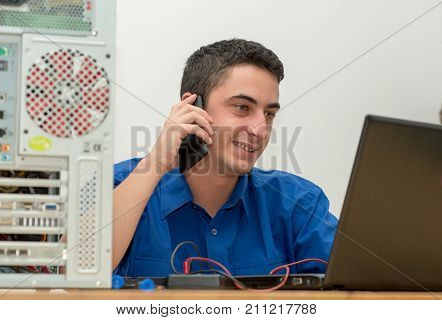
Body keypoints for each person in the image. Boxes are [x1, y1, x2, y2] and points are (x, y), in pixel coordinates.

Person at [112, 39, 338, 277]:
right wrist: (156, 163)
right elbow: (74, 266)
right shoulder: (122, 186)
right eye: (242, 107)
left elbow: (358, 287)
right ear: (194, 108)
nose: (260, 129)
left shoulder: (298, 203)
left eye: (269, 114)